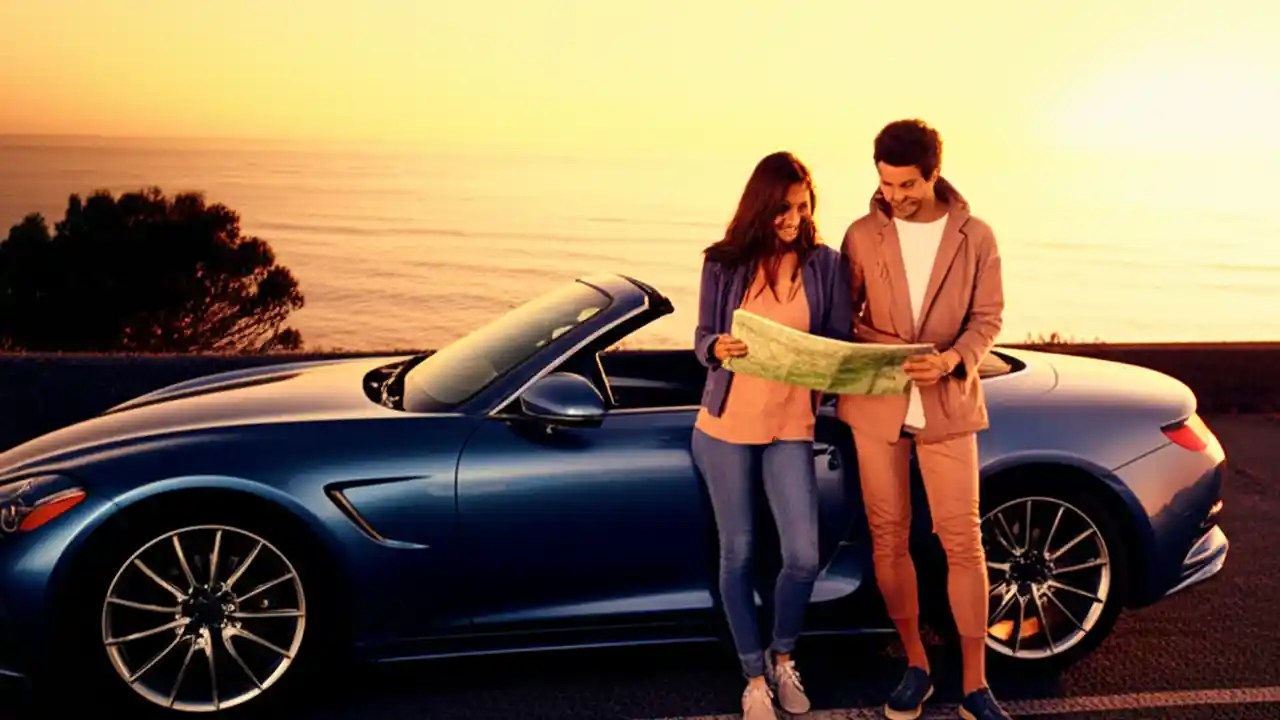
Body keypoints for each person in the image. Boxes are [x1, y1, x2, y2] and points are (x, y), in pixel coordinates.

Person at [835, 120, 1010, 720]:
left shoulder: (976, 236)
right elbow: (844, 320)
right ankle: (915, 664)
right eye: (886, 184)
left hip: (949, 401)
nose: (895, 196)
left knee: (963, 541)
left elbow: (988, 319)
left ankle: (976, 685)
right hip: (876, 403)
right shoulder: (860, 234)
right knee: (889, 537)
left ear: (933, 174)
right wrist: (885, 349)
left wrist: (954, 359)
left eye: (907, 185)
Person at [692, 151, 852, 720]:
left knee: (803, 556)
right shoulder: (724, 262)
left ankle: (784, 657)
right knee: (737, 552)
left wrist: (829, 369)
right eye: (783, 208)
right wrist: (718, 348)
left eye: (802, 207)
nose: (794, 218)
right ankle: (752, 675)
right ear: (762, 206)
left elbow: (837, 342)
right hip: (727, 426)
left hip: (791, 425)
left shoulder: (826, 264)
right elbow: (702, 337)